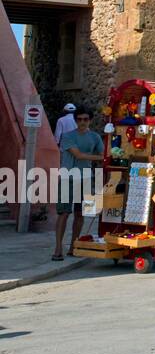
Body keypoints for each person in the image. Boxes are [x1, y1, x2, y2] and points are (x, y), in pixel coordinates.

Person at [53, 109, 103, 261]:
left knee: (80, 213)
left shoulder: (95, 137)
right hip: (68, 177)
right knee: (64, 213)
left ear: (90, 120)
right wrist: (99, 157)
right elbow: (78, 155)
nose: (82, 122)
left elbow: (103, 156)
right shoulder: (67, 136)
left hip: (86, 178)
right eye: (79, 119)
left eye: (85, 119)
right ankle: (58, 247)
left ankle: (73, 246)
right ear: (75, 120)